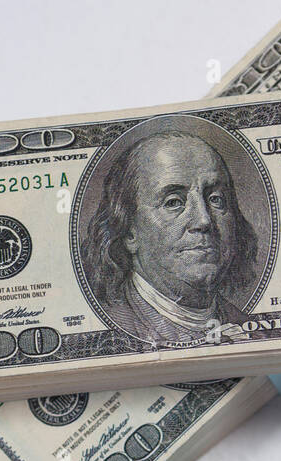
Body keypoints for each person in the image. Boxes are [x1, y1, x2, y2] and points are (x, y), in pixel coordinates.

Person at [82, 131, 258, 345]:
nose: (204, 220)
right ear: (128, 231)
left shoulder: (254, 331)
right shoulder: (109, 330)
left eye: (215, 199)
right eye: (174, 202)